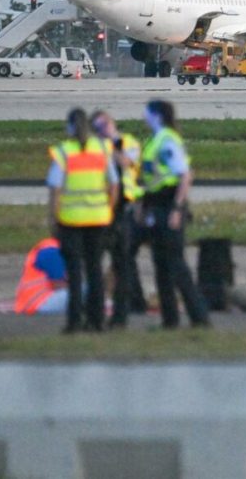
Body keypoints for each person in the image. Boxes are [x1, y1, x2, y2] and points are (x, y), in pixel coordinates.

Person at [139, 99, 210, 329]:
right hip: (155, 205)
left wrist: (177, 209)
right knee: (161, 265)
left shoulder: (167, 140)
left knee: (176, 264)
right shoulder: (154, 139)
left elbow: (185, 175)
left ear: (157, 115)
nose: (144, 116)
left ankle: (199, 317)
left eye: (147, 112)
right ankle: (170, 319)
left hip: (168, 205)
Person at [47, 108, 117, 333]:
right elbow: (113, 185)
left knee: (75, 273)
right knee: (95, 270)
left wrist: (53, 217)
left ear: (69, 127)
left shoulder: (64, 152)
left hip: (71, 220)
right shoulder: (103, 148)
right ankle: (97, 321)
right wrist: (108, 208)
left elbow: (55, 189)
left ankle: (75, 321)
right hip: (98, 218)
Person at [90, 110, 144, 328]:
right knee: (114, 259)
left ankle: (132, 303)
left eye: (106, 125)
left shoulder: (128, 142)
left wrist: (111, 144)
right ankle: (129, 302)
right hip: (103, 208)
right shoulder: (94, 146)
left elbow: (127, 163)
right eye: (98, 126)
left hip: (127, 206)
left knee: (125, 258)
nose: (103, 129)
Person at [15, 238, 69, 315]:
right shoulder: (51, 251)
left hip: (33, 303)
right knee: (87, 290)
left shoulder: (54, 248)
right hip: (39, 304)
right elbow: (58, 285)